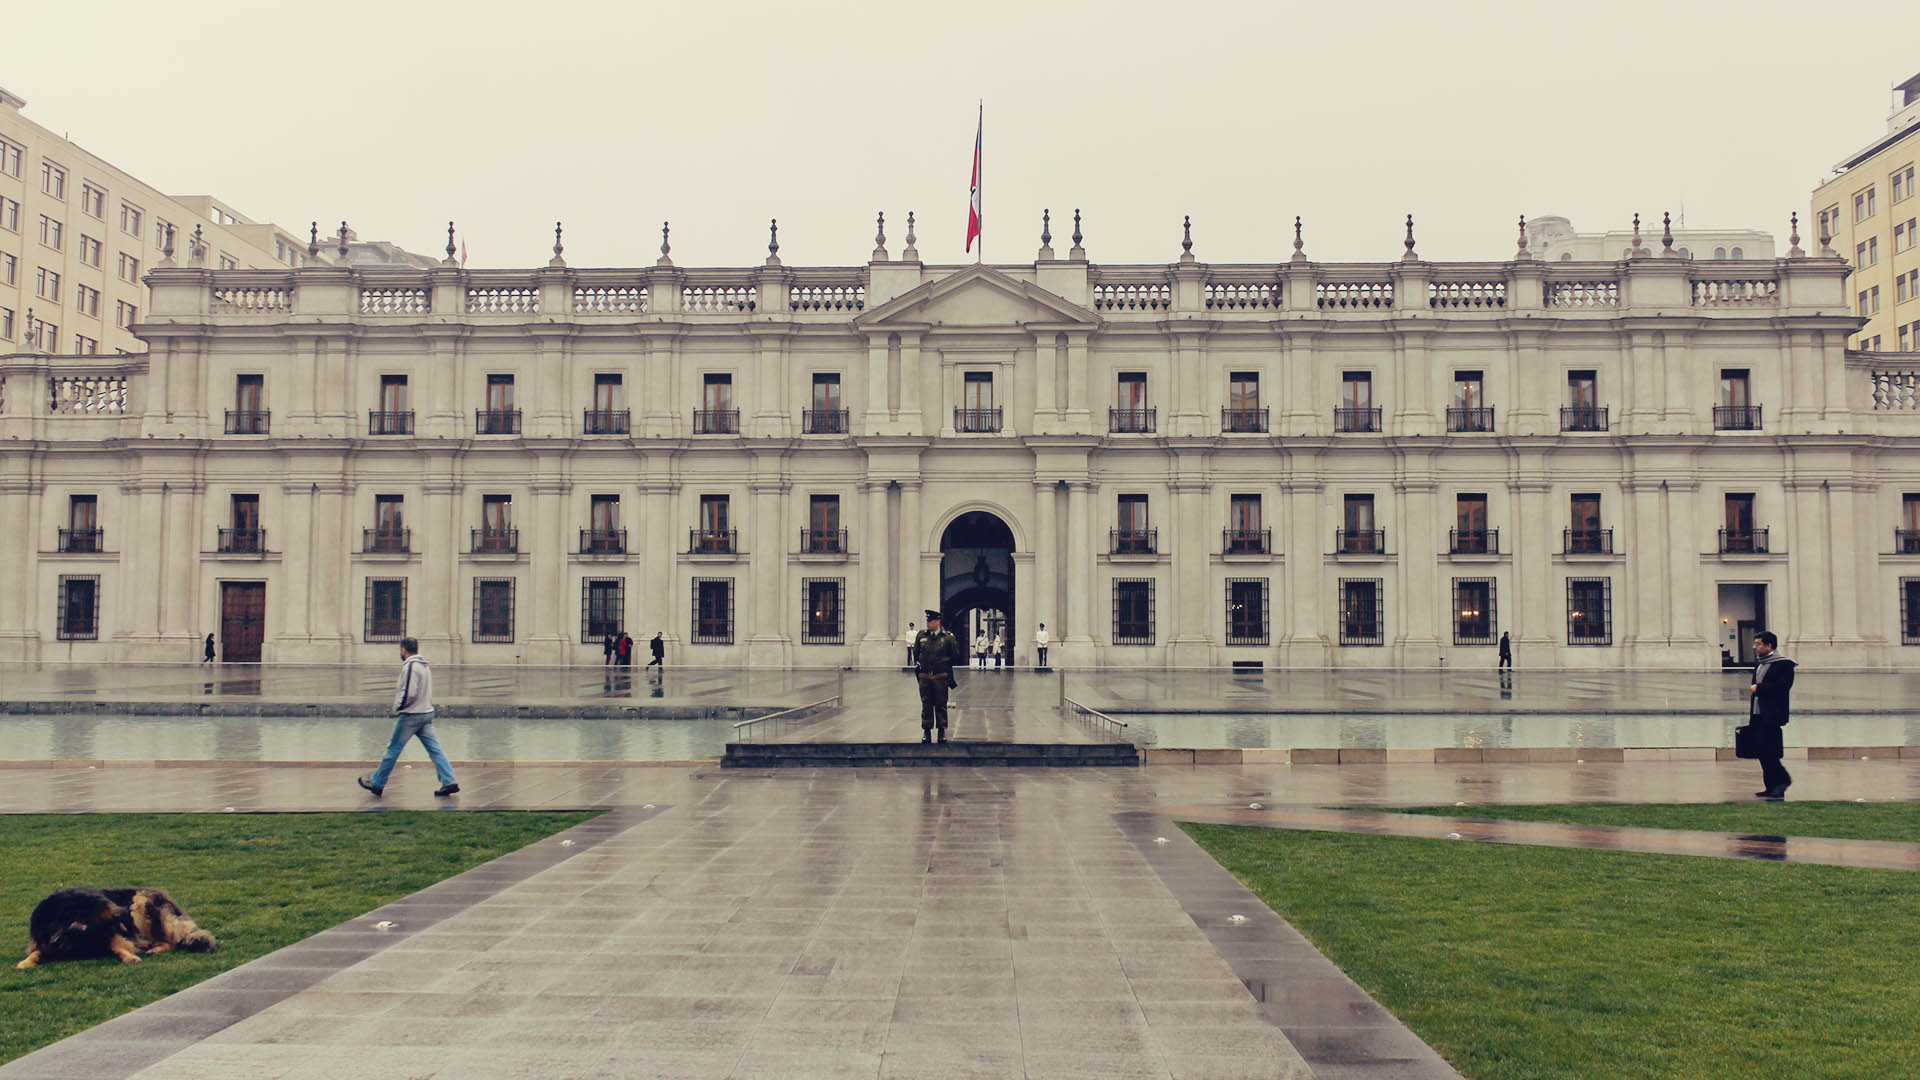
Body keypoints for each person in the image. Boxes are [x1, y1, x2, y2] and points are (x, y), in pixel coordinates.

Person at [358, 638, 458, 798]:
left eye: (400, 649)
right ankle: (449, 781)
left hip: (411, 715)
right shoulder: (424, 666)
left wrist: (398, 708)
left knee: (393, 749)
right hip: (425, 713)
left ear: (403, 649)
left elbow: (409, 693)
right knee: (435, 750)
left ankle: (377, 783)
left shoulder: (411, 666)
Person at [1748, 631, 1795, 799]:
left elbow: (1783, 687)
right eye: (1755, 644)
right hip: (1759, 713)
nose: (1755, 647)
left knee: (1769, 751)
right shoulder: (1760, 664)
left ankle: (1782, 781)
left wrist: (1759, 689)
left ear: (1769, 646)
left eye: (1759, 644)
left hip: (1773, 714)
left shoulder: (1784, 665)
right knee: (1761, 750)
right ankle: (1770, 786)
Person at [912, 610, 964, 743]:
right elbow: (916, 653)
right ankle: (926, 731)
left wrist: (944, 667)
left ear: (938, 622)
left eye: (930, 621)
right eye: (927, 621)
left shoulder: (947, 637)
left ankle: (941, 731)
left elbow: (954, 656)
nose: (928, 623)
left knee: (941, 704)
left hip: (940, 676)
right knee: (926, 704)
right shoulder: (921, 636)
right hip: (925, 675)